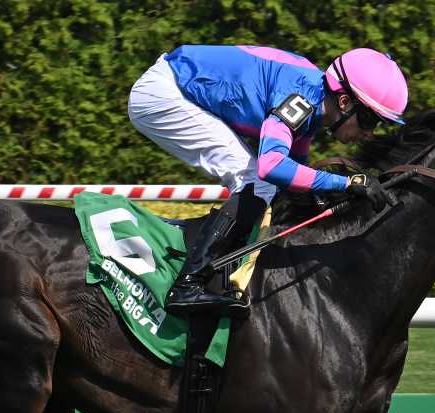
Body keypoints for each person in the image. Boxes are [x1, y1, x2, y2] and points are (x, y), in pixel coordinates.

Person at [128, 45, 409, 317]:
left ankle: (219, 274)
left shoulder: (313, 101)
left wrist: (334, 194)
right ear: (345, 102)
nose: (369, 134)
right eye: (369, 121)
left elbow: (294, 172)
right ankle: (188, 285)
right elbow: (272, 166)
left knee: (265, 186)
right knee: (254, 180)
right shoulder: (301, 98)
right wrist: (345, 183)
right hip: (164, 94)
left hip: (175, 86)